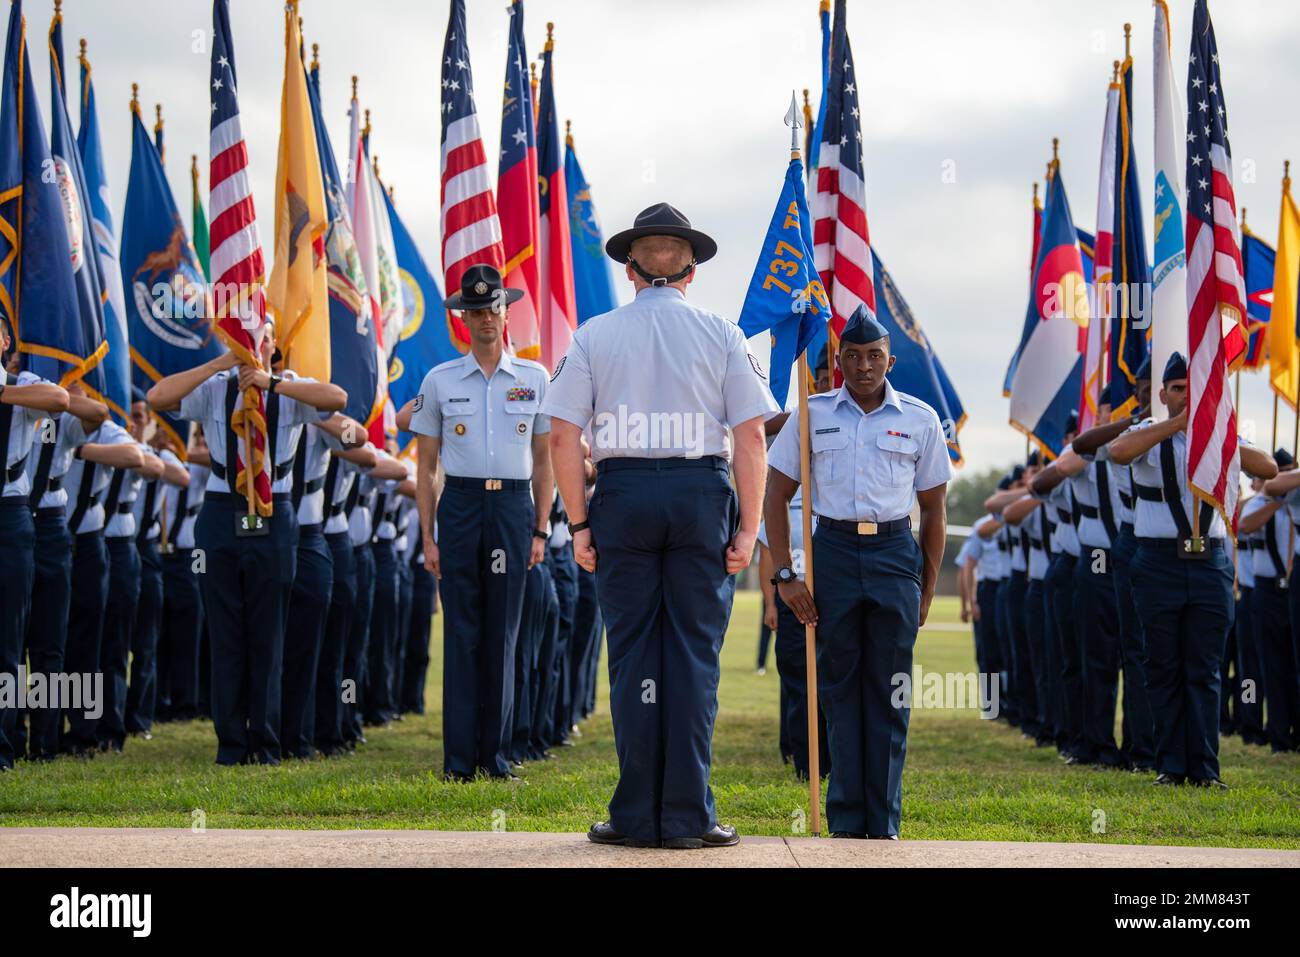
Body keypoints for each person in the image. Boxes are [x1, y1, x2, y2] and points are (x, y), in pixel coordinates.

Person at [545, 204, 775, 848]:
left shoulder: (594, 335)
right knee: (695, 659)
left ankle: (635, 814)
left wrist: (579, 522)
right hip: (700, 493)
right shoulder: (723, 334)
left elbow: (562, 435)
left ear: (629, 270)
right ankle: (686, 817)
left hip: (621, 496)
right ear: (691, 272)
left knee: (633, 658)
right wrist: (749, 529)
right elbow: (752, 435)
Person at [766, 306, 951, 839]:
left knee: (891, 690)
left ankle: (883, 820)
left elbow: (934, 509)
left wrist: (928, 582)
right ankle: (847, 819)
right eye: (852, 356)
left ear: (890, 360)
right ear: (838, 360)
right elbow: (776, 497)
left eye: (874, 356)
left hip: (896, 555)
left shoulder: (919, 418)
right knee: (839, 689)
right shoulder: (810, 414)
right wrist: (786, 574)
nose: (864, 366)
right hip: (835, 555)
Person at [147, 327, 346, 765]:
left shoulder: (289, 388)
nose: (255, 342)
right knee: (225, 634)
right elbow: (157, 397)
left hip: (275, 514)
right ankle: (232, 744)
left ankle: (267, 743)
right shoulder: (215, 387)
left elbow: (337, 400)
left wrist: (269, 381)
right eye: (244, 335)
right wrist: (222, 365)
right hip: (221, 510)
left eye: (264, 336)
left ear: (276, 345)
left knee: (268, 634)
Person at [411, 264, 554, 782]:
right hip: (463, 506)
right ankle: (457, 762)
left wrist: (540, 528)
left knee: (504, 634)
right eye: (476, 310)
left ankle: (494, 756)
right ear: (464, 319)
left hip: (513, 508)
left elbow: (544, 462)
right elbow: (426, 468)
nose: (486, 317)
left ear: (505, 310)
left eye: (493, 306)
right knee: (463, 632)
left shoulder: (535, 379)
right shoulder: (440, 380)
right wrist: (428, 536)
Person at [1108, 352, 1277, 787]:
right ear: (1163, 394)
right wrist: (1176, 425)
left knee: (1204, 668)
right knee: (1162, 666)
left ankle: (1205, 768)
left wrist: (1215, 433)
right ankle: (1170, 765)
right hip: (1157, 561)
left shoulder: (1222, 436)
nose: (1185, 395)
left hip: (1210, 562)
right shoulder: (1149, 432)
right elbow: (1117, 452)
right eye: (1177, 389)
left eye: (1192, 388)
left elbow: (1268, 468)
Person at [18, 383, 108, 761]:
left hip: (52, 525)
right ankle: (9, 733)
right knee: (9, 643)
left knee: (49, 642)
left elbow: (98, 414)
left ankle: (44, 740)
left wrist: (65, 387)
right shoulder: (16, 396)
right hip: (12, 515)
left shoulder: (61, 412)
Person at [0, 321, 69, 770]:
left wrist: (0, 391)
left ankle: (3, 746)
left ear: (5, 341)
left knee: (7, 638)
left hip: (8, 515)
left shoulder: (20, 384)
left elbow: (59, 401)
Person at [1238, 449, 1299, 753]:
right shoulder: (1260, 504)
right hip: (1259, 593)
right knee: (1258, 669)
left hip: (1292, 589)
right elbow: (1244, 526)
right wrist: (1276, 502)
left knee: (1292, 666)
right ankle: (1257, 725)